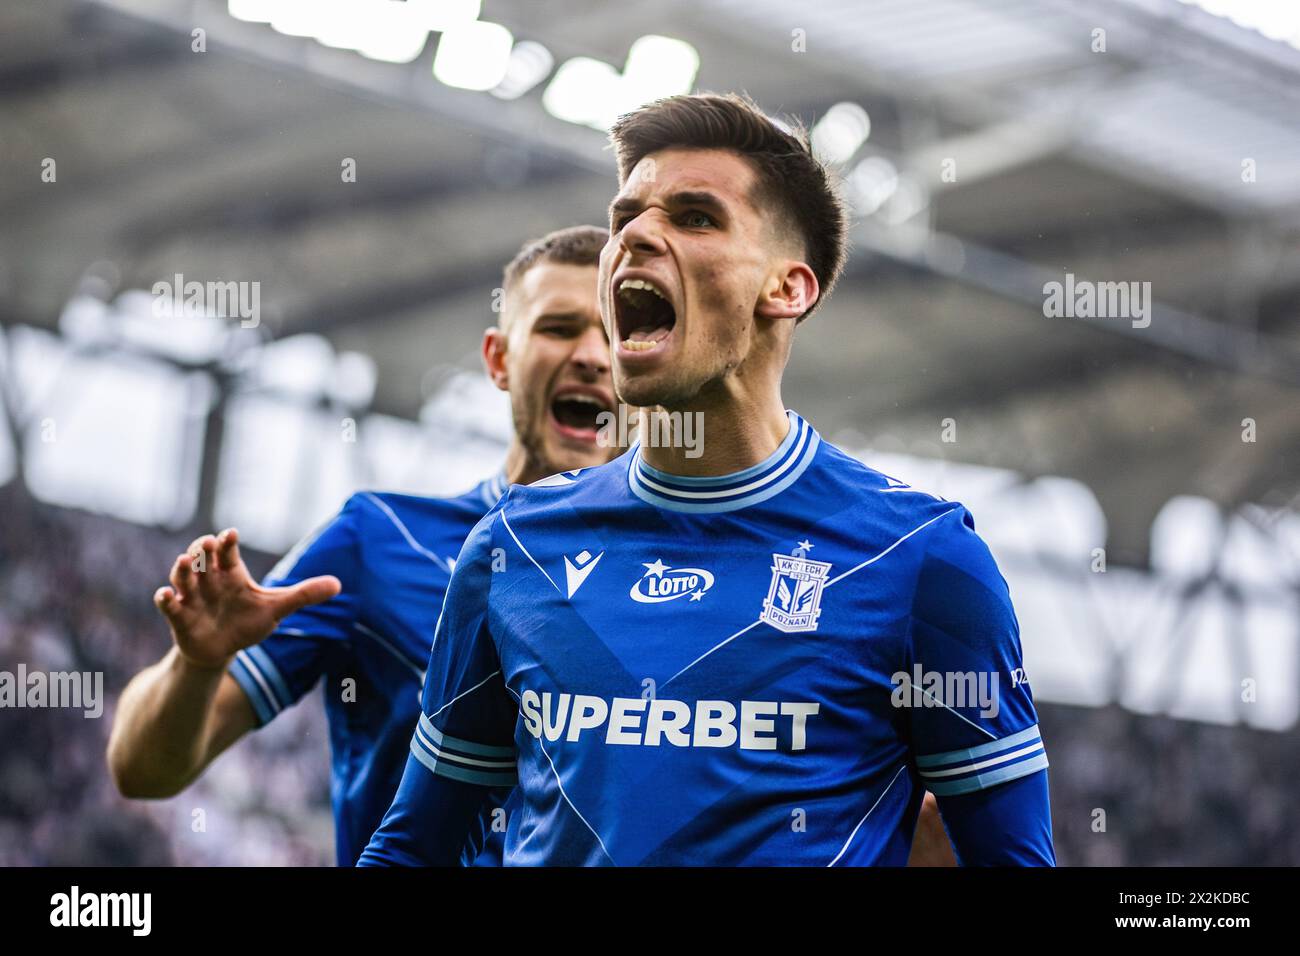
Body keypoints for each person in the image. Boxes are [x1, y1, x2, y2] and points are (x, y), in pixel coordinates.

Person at [360, 93, 1053, 867]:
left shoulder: (920, 558)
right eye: (627, 218)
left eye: (695, 218)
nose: (635, 237)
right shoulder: (511, 547)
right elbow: (415, 847)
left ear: (787, 288)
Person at [107, 225, 619, 866]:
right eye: (559, 328)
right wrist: (196, 665)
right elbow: (141, 770)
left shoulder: (681, 584)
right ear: (499, 360)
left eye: (616, 333)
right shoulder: (377, 542)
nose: (593, 356)